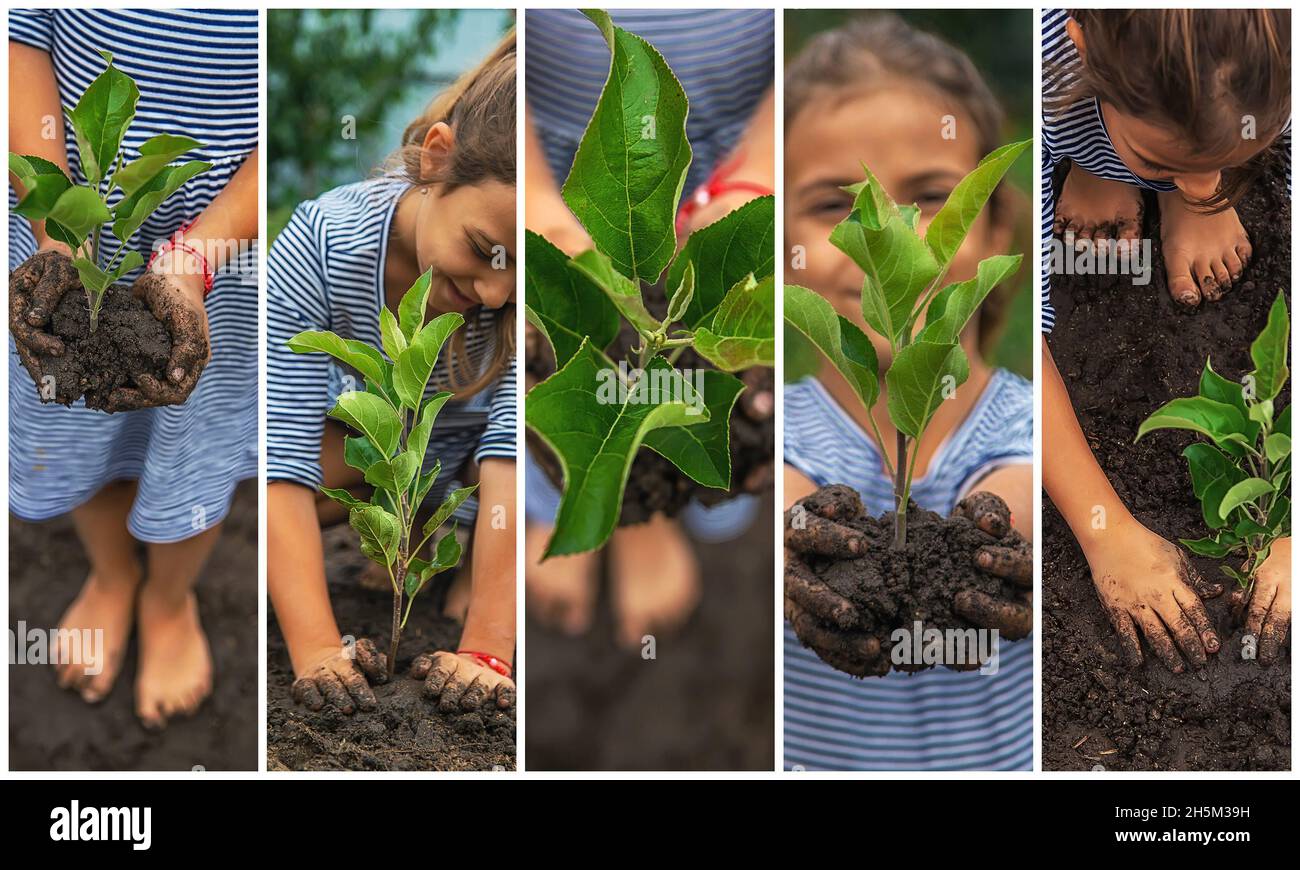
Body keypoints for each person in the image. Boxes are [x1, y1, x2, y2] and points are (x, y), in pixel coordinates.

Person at [781, 15, 1033, 770]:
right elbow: (776, 502)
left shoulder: (1027, 420)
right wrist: (788, 553)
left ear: (994, 229)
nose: (892, 237)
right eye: (836, 205)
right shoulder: (778, 429)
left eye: (930, 198)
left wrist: (1004, 537)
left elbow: (1018, 488)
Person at [8, 8, 259, 729]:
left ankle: (168, 596)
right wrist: (59, 237)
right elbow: (19, 38)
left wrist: (195, 259)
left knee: (192, 436)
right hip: (57, 228)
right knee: (78, 412)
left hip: (221, 247)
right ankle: (115, 575)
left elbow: (305, 106)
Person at [266, 32, 517, 713]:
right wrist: (319, 651)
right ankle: (406, 531)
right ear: (437, 159)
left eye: (522, 273)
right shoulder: (323, 240)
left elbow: (509, 457)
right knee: (266, 496)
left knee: (536, 481)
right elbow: (278, 457)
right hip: (376, 453)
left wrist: (487, 651)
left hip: (474, 468)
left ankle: (458, 564)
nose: (496, 295)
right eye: (485, 251)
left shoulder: (516, 294)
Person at [1042, 9, 1291, 672]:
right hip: (1074, 100)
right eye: (1168, 164)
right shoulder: (1019, 67)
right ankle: (1103, 162)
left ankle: (1157, 164)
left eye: (1232, 164)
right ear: (1084, 38)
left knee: (1193, 158)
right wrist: (1109, 535)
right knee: (1089, 133)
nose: (1209, 184)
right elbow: (999, 333)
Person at [524, 8, 774, 646]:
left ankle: (648, 511)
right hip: (551, 170)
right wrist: (536, 205)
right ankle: (596, 508)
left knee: (714, 394)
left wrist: (753, 183)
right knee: (565, 358)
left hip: (731, 162)